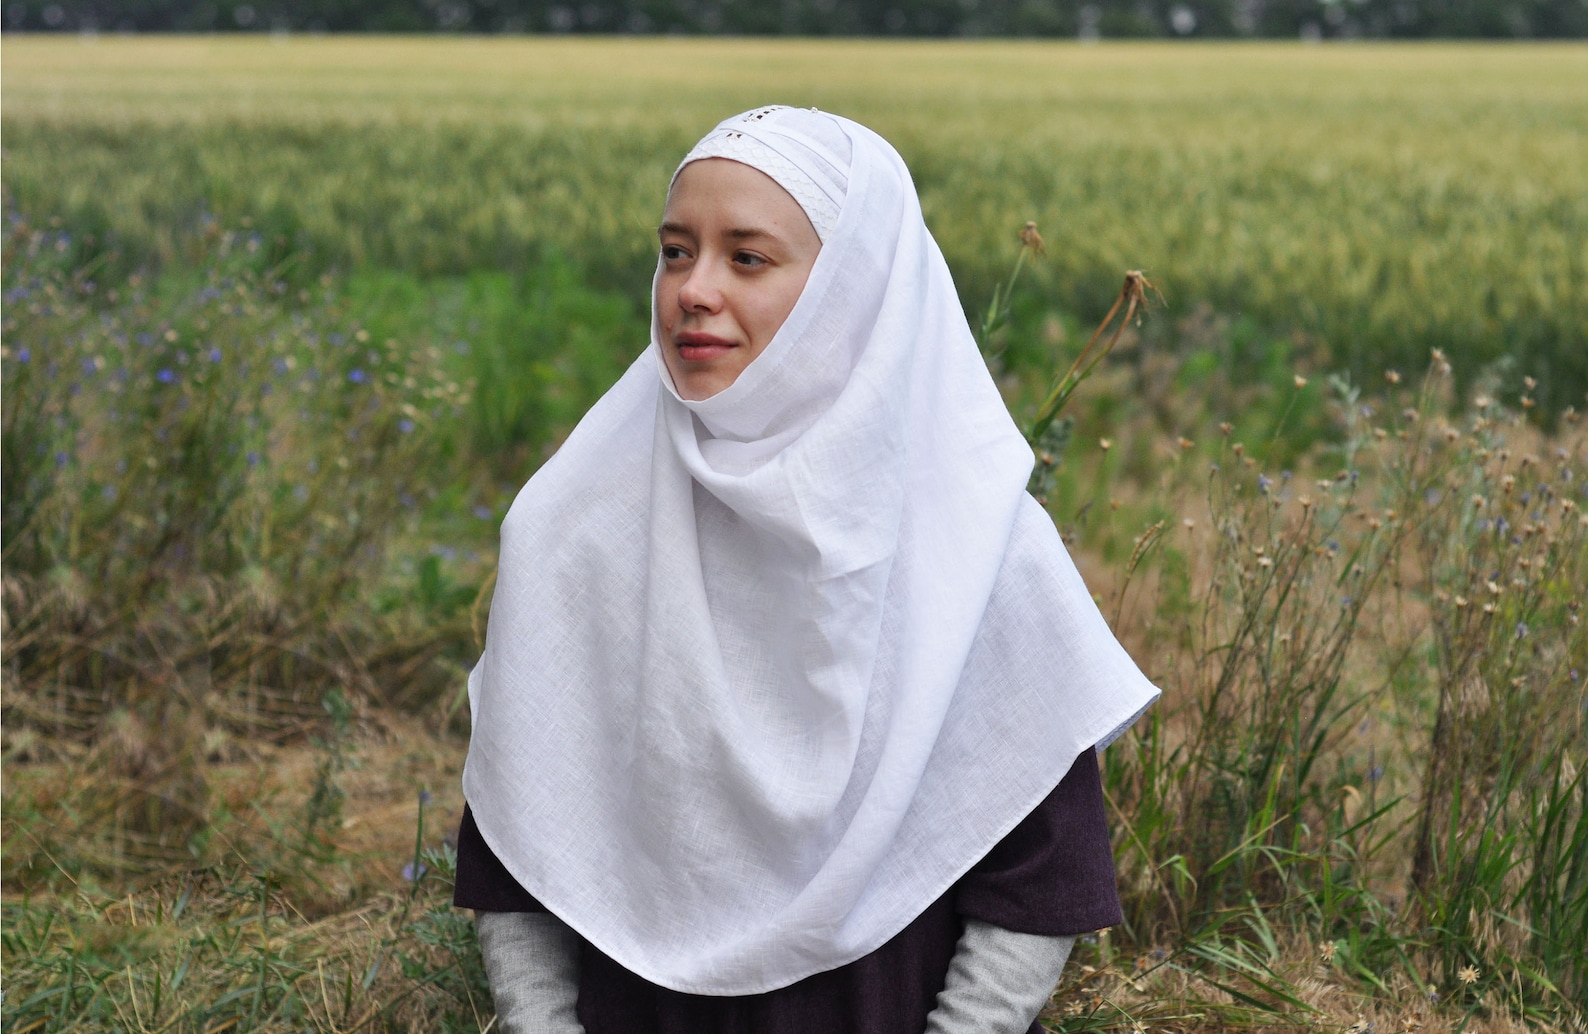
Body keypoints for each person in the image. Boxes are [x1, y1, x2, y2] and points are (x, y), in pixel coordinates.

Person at [454, 105, 1159, 1034]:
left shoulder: (975, 543)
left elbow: (1037, 874)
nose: (693, 290)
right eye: (675, 252)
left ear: (854, 288)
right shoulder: (573, 522)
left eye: (746, 258)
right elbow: (521, 842)